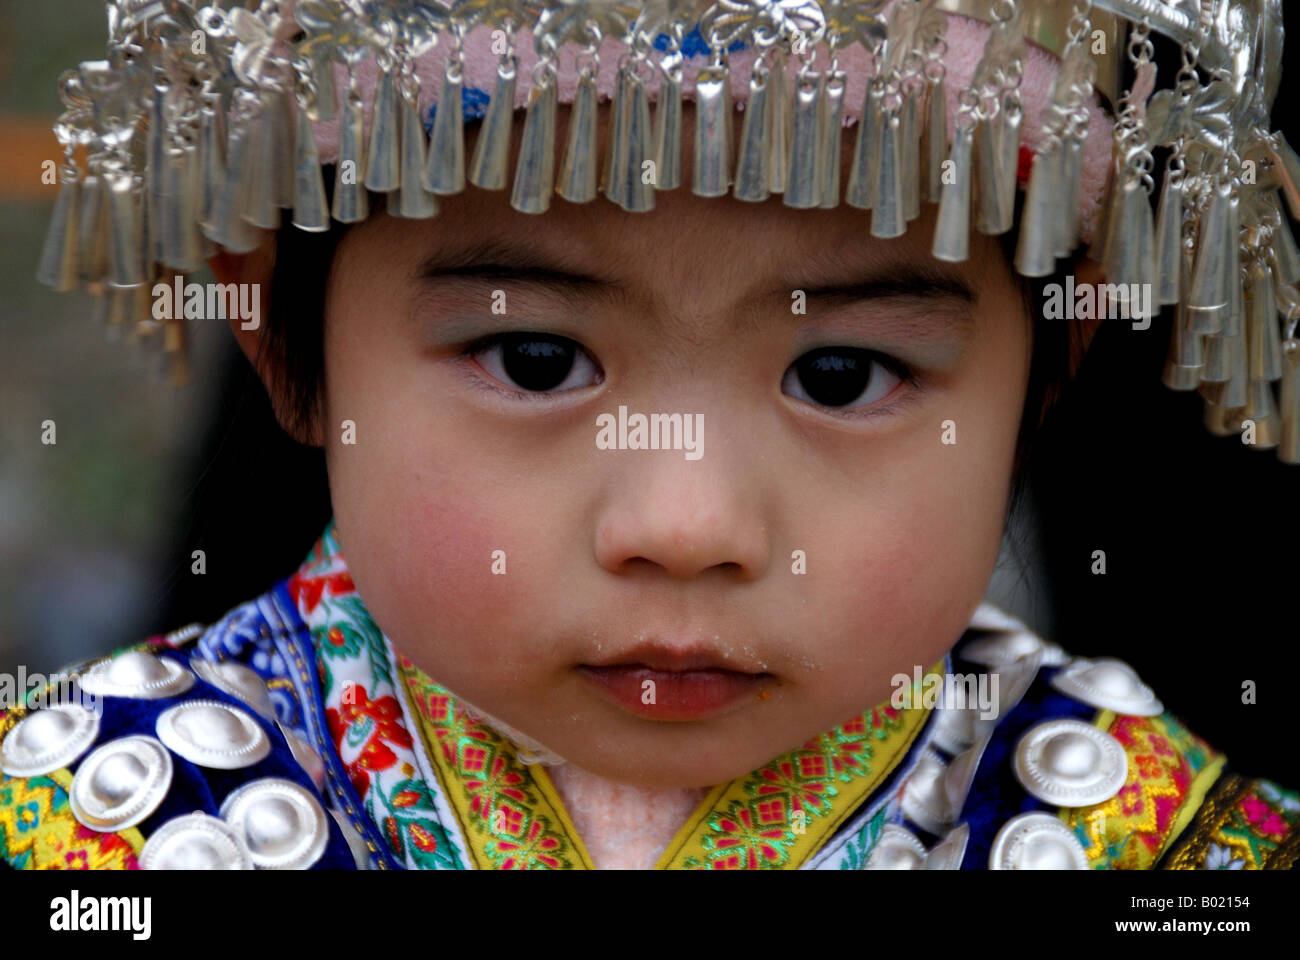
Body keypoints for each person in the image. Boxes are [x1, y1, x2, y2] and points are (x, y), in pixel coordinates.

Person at [3, 0, 1298, 870]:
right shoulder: (99, 817)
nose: (688, 528)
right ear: (289, 354)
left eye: (841, 375)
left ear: (1044, 381)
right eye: (536, 359)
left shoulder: (1166, 839)